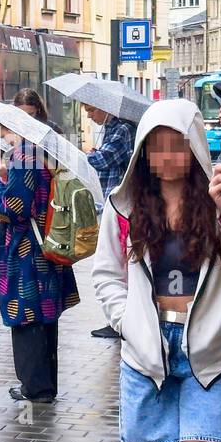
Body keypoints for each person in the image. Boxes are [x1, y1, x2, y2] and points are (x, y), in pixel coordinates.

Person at [92, 99, 221, 442]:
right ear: (144, 152)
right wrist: (130, 325)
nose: (167, 156)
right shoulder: (124, 208)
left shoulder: (215, 203)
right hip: (149, 357)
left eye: (177, 144)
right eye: (156, 145)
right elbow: (106, 275)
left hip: (209, 356)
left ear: (194, 148)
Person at [0, 129, 79, 404]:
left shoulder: (23, 156)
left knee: (26, 315)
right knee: (46, 316)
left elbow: (14, 208)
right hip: (48, 243)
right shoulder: (44, 153)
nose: (0, 136)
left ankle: (34, 387)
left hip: (27, 250)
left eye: (0, 130)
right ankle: (46, 384)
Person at [84, 103, 136, 338]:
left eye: (92, 110)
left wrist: (87, 156)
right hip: (110, 200)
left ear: (107, 109)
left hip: (118, 201)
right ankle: (115, 317)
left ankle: (120, 318)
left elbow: (104, 161)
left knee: (120, 261)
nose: (89, 114)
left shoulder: (121, 130)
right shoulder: (111, 130)